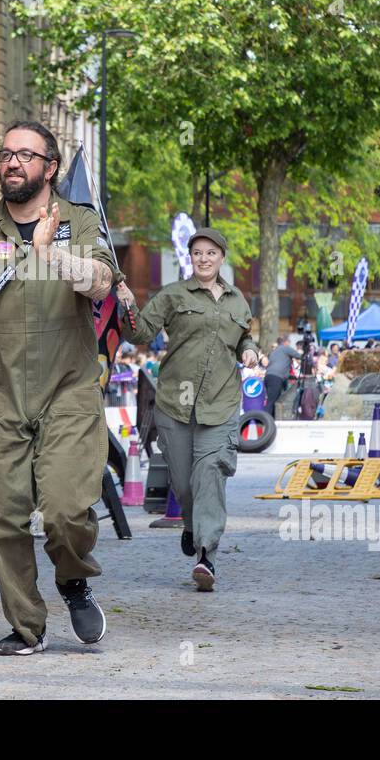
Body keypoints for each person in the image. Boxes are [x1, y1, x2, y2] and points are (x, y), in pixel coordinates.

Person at [0, 120, 116, 656]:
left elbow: (101, 283)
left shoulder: (78, 219)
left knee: (67, 509)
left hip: (68, 387)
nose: (12, 163)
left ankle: (72, 576)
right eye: (5, 154)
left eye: (25, 155)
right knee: (1, 517)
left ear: (50, 167)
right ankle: (27, 626)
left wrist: (50, 254)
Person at [117, 228, 255, 589]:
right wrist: (127, 304)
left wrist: (249, 351)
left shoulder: (237, 300)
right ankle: (193, 525)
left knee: (209, 473)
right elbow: (140, 333)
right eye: (198, 253)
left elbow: (244, 337)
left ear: (222, 257)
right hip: (176, 403)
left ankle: (206, 555)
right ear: (190, 257)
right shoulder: (173, 294)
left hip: (221, 403)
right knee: (182, 482)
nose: (204, 259)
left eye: (211, 253)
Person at [264, 335, 294, 410]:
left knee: (275, 401)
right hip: (276, 379)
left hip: (275, 378)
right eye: (272, 347)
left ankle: (272, 416)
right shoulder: (283, 350)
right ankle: (267, 417)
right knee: (272, 401)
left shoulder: (277, 353)